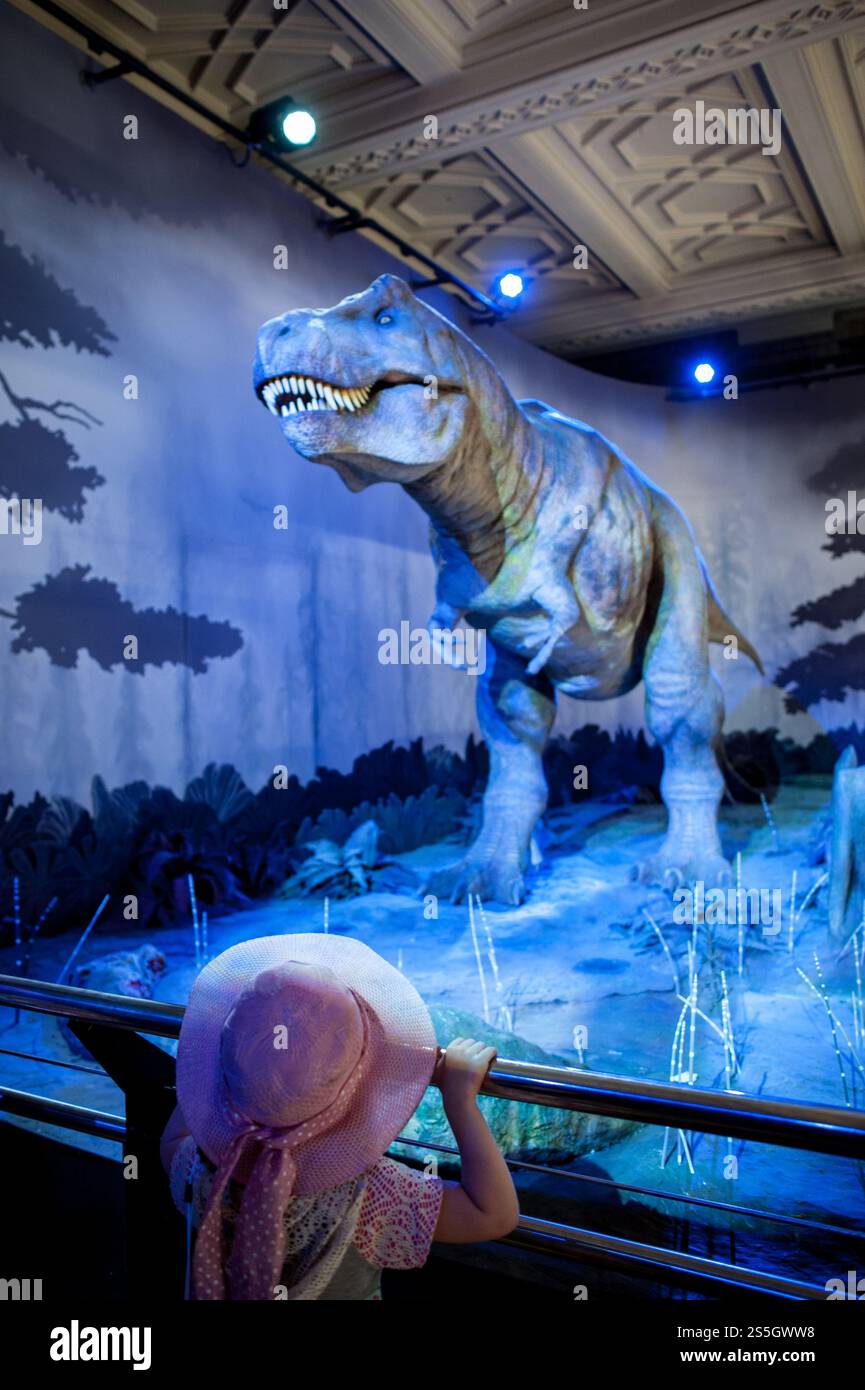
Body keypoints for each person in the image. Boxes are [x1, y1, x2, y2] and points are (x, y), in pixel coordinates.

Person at [160, 932, 518, 1299]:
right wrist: (459, 1101)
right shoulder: (369, 1194)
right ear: (364, 1083)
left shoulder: (200, 1167)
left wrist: (219, 1068)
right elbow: (493, 1214)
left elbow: (176, 1132)